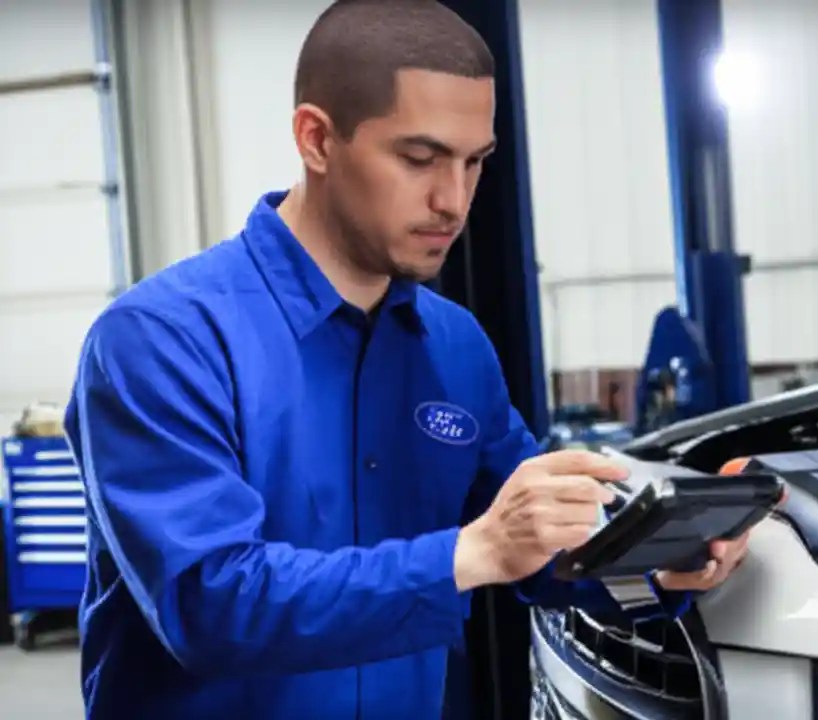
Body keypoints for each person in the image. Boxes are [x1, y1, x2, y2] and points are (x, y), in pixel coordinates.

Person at [62, 1, 751, 717]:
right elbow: (209, 604)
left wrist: (659, 567)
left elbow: (537, 549)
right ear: (317, 138)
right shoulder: (161, 340)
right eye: (419, 158)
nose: (453, 201)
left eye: (474, 162)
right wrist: (469, 553)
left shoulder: (454, 346)